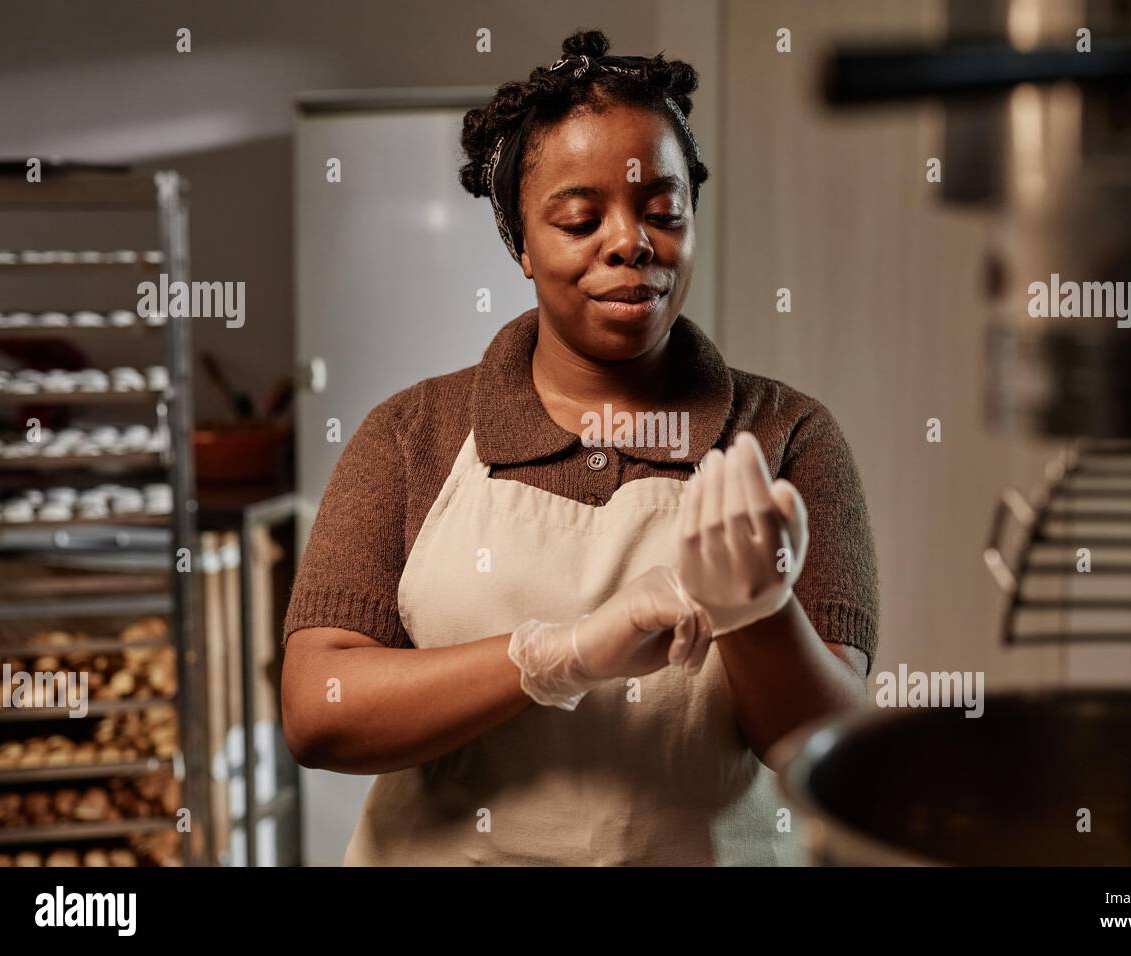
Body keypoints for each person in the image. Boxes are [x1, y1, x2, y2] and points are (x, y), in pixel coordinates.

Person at [281, 28, 879, 866]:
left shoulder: (785, 436)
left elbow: (823, 751)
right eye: (579, 218)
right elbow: (320, 710)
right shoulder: (411, 436)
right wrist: (555, 656)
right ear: (521, 243)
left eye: (663, 212)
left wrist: (758, 610)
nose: (630, 242)